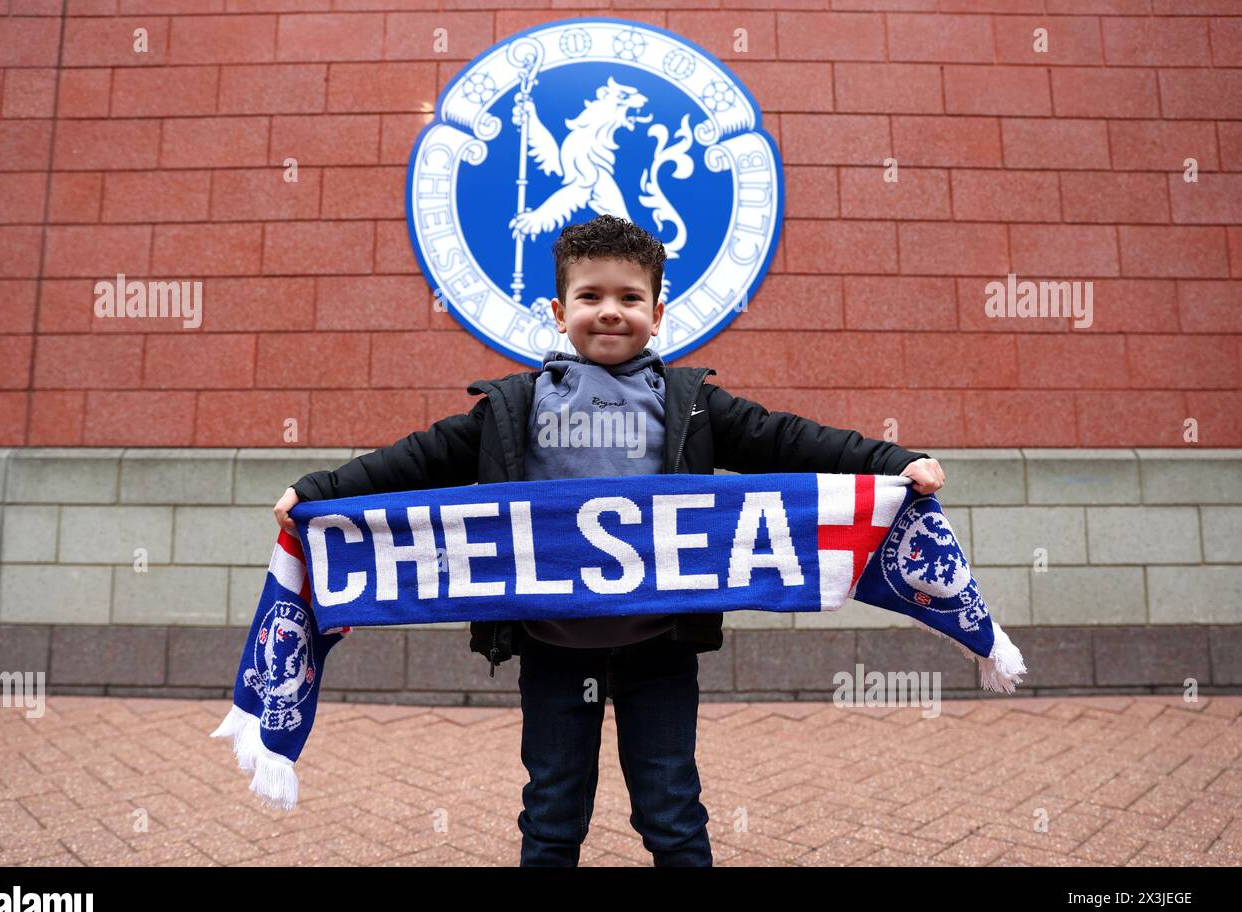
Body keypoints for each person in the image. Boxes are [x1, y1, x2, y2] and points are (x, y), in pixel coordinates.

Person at [273, 214, 945, 866]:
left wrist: (892, 463)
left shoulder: (691, 403)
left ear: (658, 309)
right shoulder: (517, 405)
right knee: (553, 814)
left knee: (672, 812)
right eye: (590, 296)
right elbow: (418, 458)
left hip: (659, 648)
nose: (610, 311)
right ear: (558, 311)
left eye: (630, 297)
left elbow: (790, 440)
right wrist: (319, 490)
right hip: (552, 648)